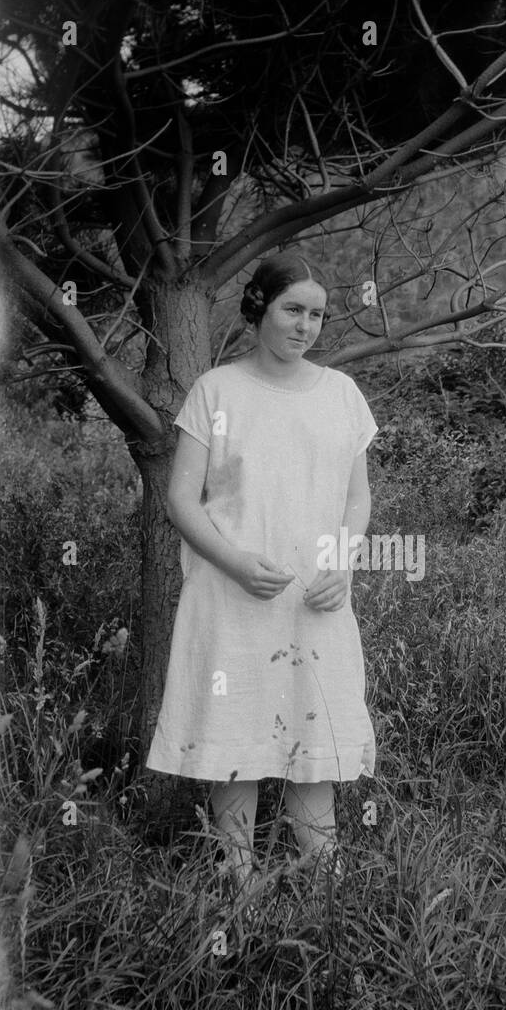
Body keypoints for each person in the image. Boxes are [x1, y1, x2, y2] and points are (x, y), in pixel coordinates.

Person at [146, 251, 378, 908]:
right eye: (292, 309)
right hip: (233, 595)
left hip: (314, 598)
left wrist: (341, 562)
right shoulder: (216, 391)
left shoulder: (340, 394)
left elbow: (356, 499)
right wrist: (238, 563)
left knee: (316, 732)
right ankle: (239, 882)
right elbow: (181, 501)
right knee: (237, 731)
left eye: (316, 315)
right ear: (258, 307)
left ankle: (325, 889)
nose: (305, 326)